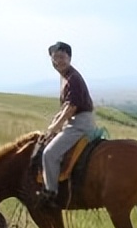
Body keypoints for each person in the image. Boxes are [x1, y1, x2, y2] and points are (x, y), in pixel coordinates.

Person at [37, 41, 96, 207]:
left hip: (79, 124)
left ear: (69, 58)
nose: (58, 61)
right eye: (55, 58)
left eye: (62, 57)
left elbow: (71, 107)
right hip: (75, 121)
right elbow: (64, 108)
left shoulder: (72, 79)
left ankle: (51, 193)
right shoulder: (66, 77)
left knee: (49, 153)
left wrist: (55, 127)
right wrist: (53, 124)